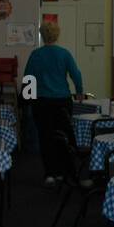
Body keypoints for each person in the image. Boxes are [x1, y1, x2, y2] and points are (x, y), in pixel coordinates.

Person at [24, 21, 84, 187]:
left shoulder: (36, 55)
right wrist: (79, 92)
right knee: (63, 137)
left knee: (45, 137)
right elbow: (76, 74)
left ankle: (50, 173)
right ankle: (64, 172)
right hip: (62, 101)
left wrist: (27, 100)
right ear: (57, 35)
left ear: (42, 35)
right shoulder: (64, 54)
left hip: (42, 102)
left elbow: (28, 78)